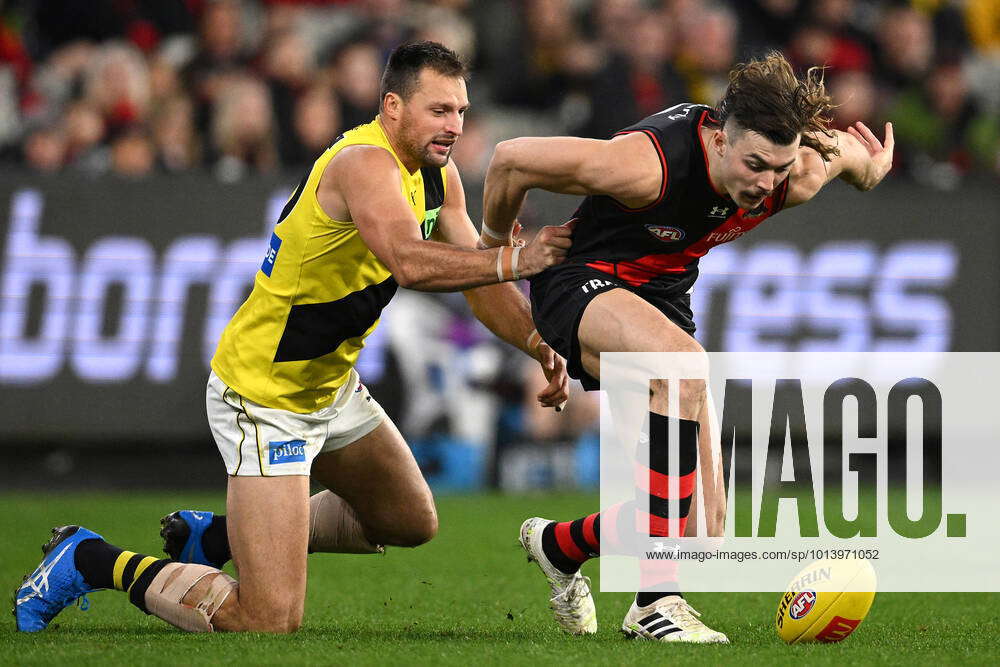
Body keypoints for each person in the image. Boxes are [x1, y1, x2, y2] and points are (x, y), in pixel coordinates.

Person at [14, 41, 573, 634]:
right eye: (439, 110)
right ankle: (90, 559)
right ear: (392, 107)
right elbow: (411, 263)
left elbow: (477, 280)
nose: (454, 126)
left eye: (460, 111)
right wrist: (517, 258)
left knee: (409, 521)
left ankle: (222, 535)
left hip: (328, 386)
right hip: (265, 394)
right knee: (267, 619)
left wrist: (538, 342)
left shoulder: (438, 176)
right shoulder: (363, 163)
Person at [481, 51, 894, 643]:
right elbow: (510, 158)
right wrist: (497, 249)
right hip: (581, 281)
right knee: (682, 366)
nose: (764, 184)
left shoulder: (796, 173)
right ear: (719, 139)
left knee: (702, 527)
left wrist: (870, 169)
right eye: (754, 164)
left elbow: (852, 157)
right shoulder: (645, 166)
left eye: (777, 168)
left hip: (660, 302)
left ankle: (559, 545)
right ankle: (655, 604)